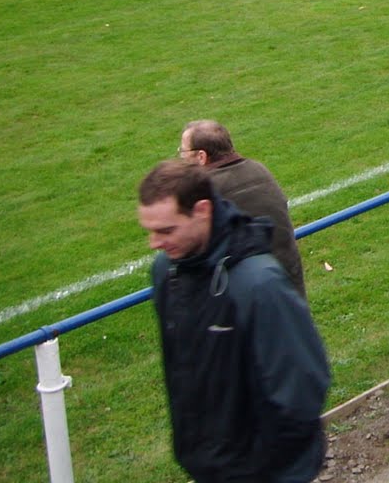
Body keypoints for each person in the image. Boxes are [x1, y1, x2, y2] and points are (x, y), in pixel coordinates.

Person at [138, 160, 330, 483]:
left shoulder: (258, 284)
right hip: (210, 467)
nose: (154, 243)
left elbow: (303, 387)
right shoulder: (167, 272)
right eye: (150, 231)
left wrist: (260, 468)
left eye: (166, 230)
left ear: (201, 210)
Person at [179, 120, 304, 297]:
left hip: (246, 296)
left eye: (183, 152)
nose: (181, 158)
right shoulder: (258, 169)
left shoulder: (202, 191)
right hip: (289, 280)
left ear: (201, 156)